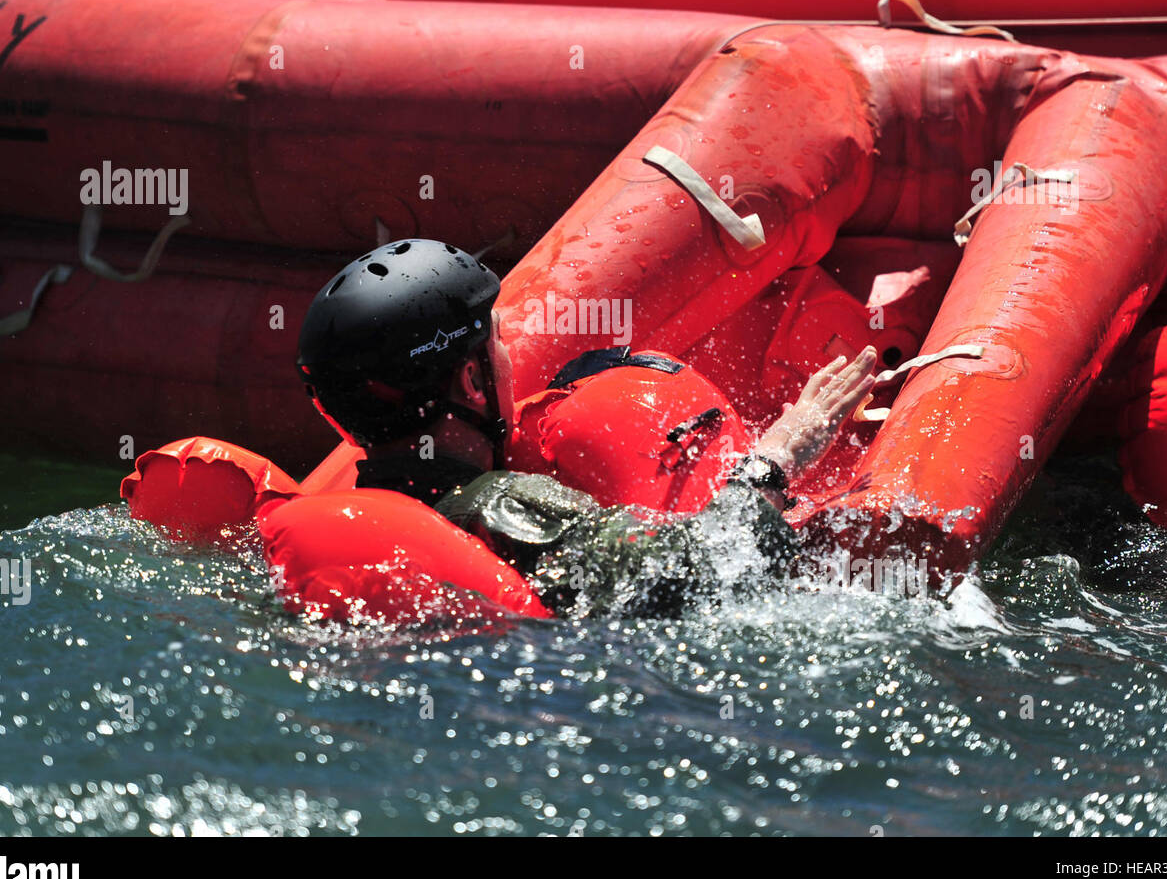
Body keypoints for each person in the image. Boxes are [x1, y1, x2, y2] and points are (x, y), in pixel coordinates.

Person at [295, 239, 876, 616]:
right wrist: (776, 458)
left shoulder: (354, 520)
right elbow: (697, 576)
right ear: (473, 382)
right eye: (497, 342)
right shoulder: (502, 505)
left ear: (335, 418)